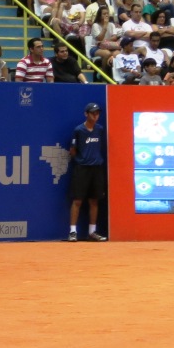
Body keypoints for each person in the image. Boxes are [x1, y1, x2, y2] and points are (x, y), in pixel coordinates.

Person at [68, 103, 107, 243]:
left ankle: (92, 232)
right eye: (92, 113)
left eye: (97, 113)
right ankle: (73, 232)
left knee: (94, 201)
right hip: (82, 169)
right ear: (86, 114)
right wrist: (82, 160)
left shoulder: (100, 129)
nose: (95, 116)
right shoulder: (79, 130)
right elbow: (72, 150)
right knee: (77, 200)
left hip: (97, 169)